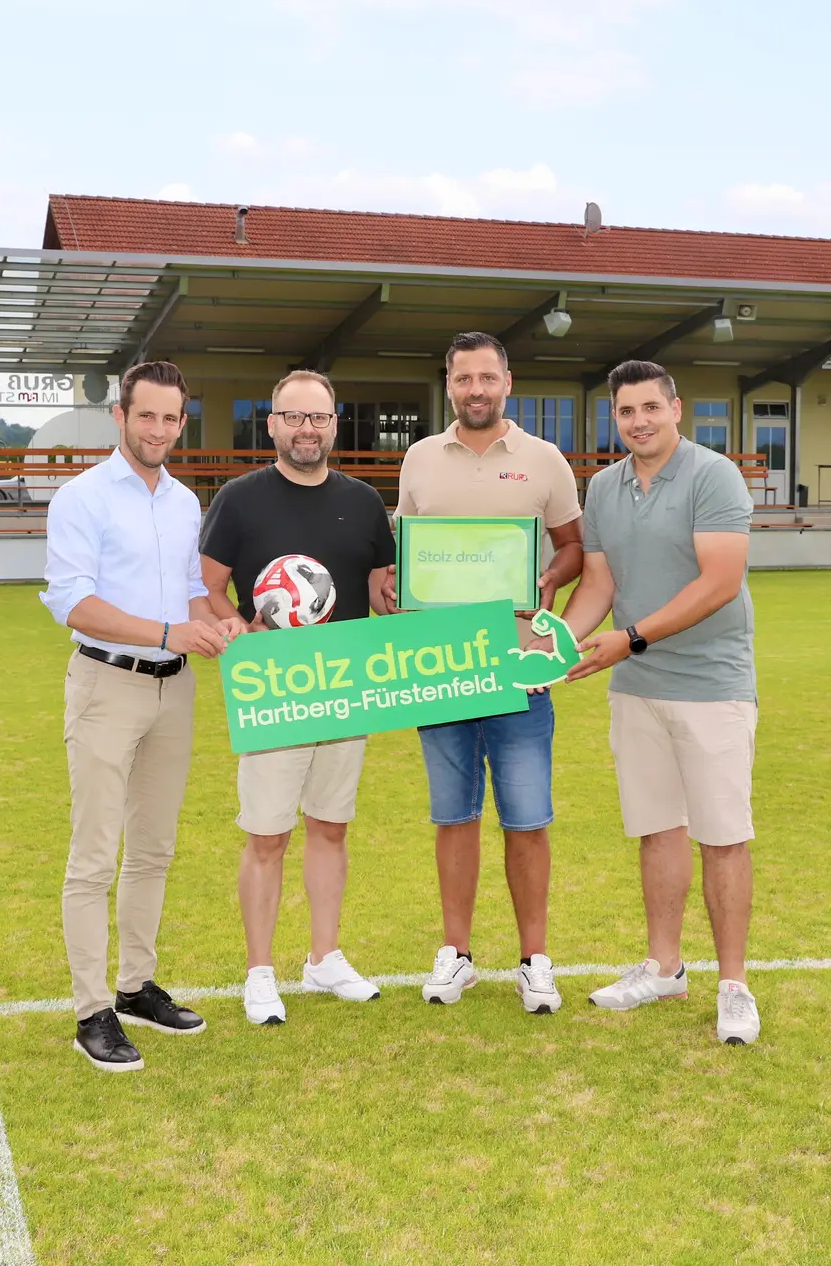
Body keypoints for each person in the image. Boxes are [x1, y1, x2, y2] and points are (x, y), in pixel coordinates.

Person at [40, 360, 243, 1073]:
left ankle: (133, 987)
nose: (158, 429)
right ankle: (91, 1010)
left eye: (170, 418)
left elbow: (191, 590)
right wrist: (166, 634)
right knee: (94, 854)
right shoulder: (81, 497)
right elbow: (74, 602)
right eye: (146, 415)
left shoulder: (185, 501)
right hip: (106, 685)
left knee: (154, 847)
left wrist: (217, 626)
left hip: (174, 688)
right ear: (120, 416)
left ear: (182, 423)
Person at [558, 358, 762, 1046]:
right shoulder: (605, 487)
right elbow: (597, 584)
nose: (639, 421)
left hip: (710, 684)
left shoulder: (714, 474)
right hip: (637, 686)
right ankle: (665, 966)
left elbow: (720, 582)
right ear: (613, 417)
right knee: (656, 830)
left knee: (723, 837)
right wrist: (559, 642)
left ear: (678, 408)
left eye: (651, 407)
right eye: (626, 411)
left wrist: (631, 637)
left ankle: (732, 983)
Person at [389, 331, 584, 1014]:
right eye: (463, 378)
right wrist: (391, 581)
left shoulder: (544, 459)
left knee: (527, 818)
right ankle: (457, 953)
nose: (476, 389)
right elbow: (405, 552)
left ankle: (535, 959)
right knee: (454, 815)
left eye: (487, 377)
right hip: (440, 668)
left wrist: (546, 581)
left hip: (519, 667)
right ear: (448, 384)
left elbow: (573, 547)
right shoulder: (417, 459)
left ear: (508, 381)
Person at [199, 370, 397, 1026]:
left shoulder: (366, 501)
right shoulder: (240, 498)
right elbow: (207, 589)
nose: (306, 428)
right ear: (273, 422)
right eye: (293, 417)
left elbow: (382, 590)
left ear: (335, 423)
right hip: (275, 688)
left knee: (331, 826)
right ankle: (260, 971)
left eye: (318, 417)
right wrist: (234, 624)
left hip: (345, 685)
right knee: (266, 834)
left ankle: (323, 956)